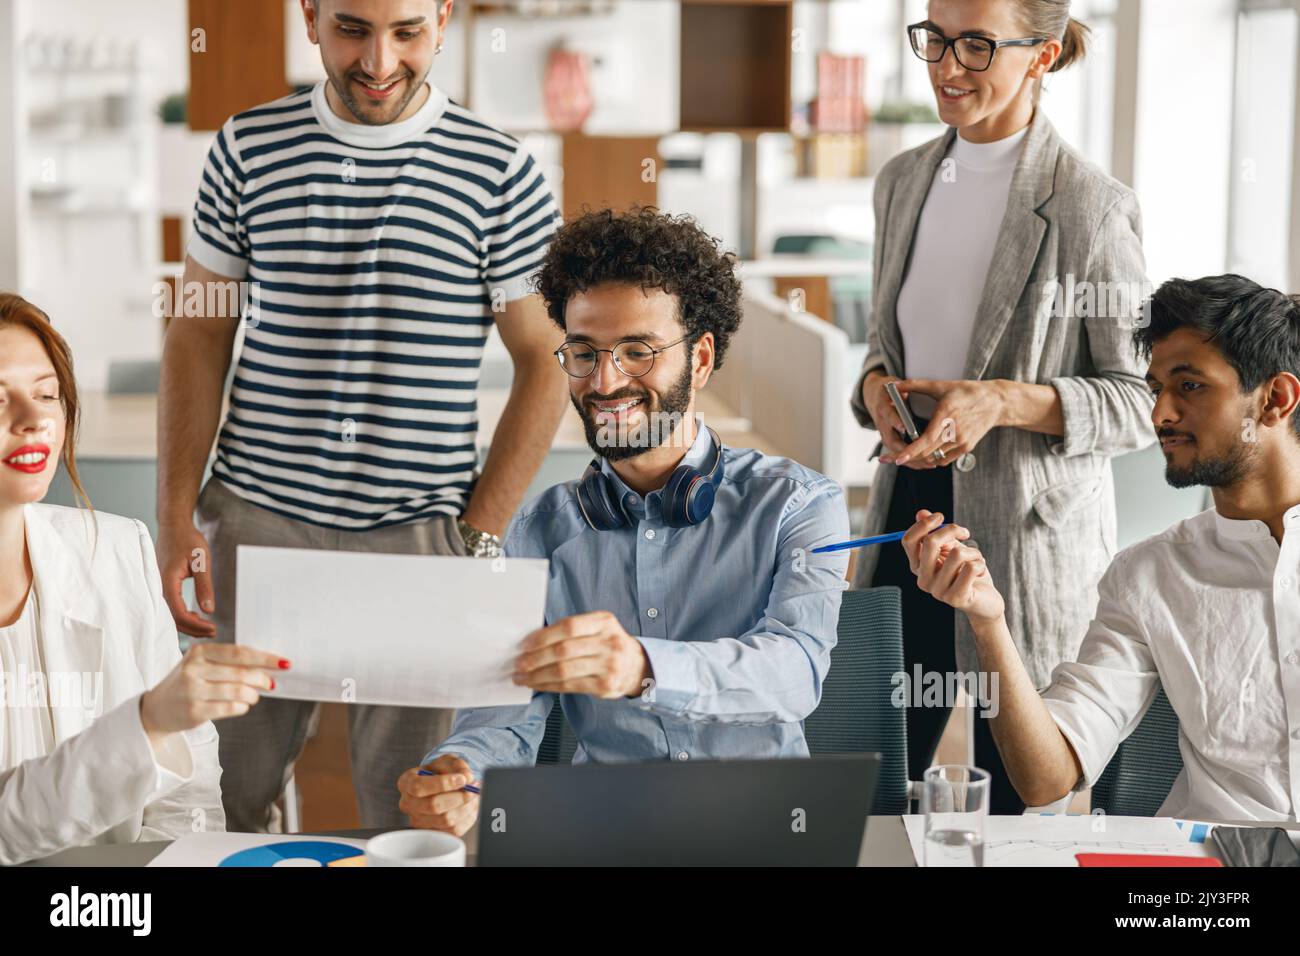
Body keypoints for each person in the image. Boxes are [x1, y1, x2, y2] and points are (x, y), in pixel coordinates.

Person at [155, 0, 568, 830]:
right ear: (308, 16)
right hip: (258, 524)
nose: (379, 61)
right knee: (223, 796)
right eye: (352, 28)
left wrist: (480, 532)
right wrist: (173, 514)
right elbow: (199, 330)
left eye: (408, 31)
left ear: (445, 19)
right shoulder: (245, 148)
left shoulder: (503, 170)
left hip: (422, 540)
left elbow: (546, 359)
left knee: (412, 814)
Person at [395, 207, 851, 836]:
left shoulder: (798, 505)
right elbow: (501, 717)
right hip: (604, 832)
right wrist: (459, 770)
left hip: (766, 829)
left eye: (638, 351)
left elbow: (795, 674)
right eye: (584, 353)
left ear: (700, 359)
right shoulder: (541, 529)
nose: (605, 382)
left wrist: (643, 667)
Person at [848, 0, 1153, 811]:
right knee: (876, 780)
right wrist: (875, 388)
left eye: (977, 46)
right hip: (906, 521)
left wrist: (1003, 402)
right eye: (936, 39)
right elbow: (886, 346)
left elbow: (1140, 398)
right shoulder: (902, 180)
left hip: (1022, 545)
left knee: (1018, 802)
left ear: (1042, 56)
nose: (947, 66)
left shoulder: (1090, 205)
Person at [901, 274, 1300, 820]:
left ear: (1275, 399)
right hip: (1204, 891)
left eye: (1189, 386)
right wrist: (989, 621)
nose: (1160, 413)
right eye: (1156, 388)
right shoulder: (1149, 575)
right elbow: (1048, 779)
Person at [0, 294, 284, 865]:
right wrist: (148, 723)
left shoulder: (120, 550)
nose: (33, 420)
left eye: (47, 394)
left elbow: (191, 792)